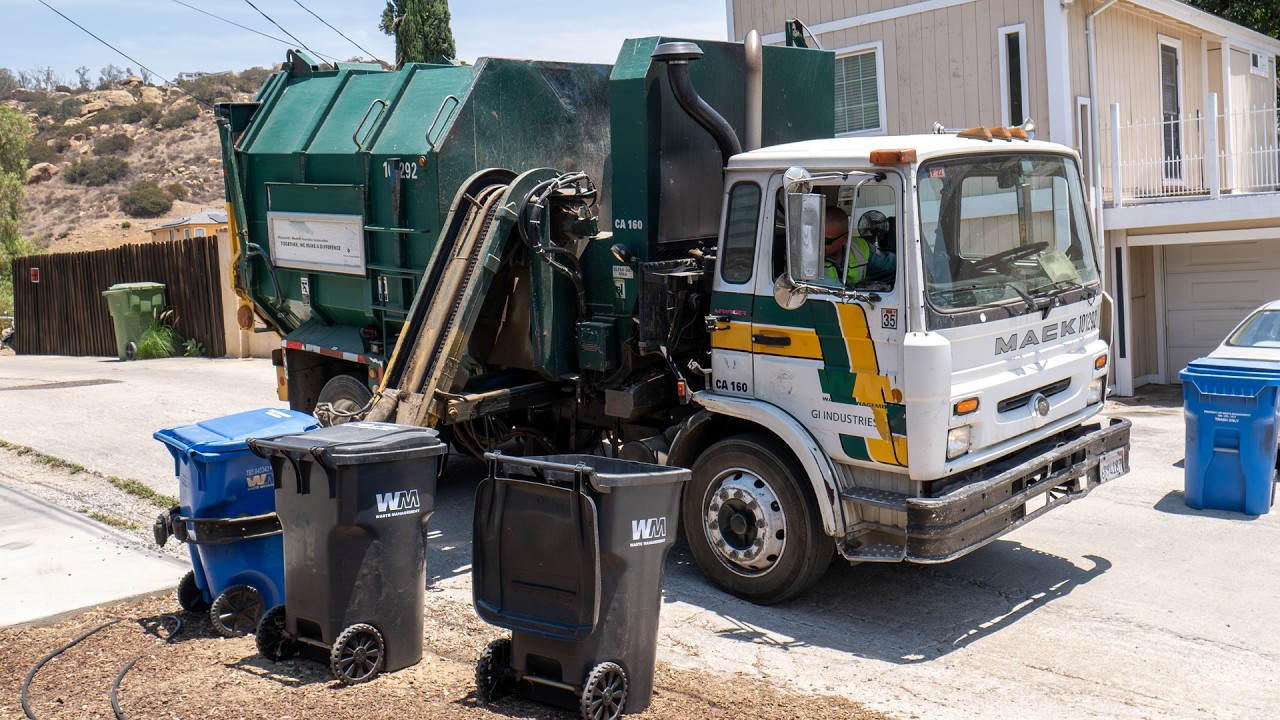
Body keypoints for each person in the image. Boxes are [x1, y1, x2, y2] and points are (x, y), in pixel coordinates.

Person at [823, 206, 895, 286]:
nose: (818, 245)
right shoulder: (809, 262)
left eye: (826, 241)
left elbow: (892, 265)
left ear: (845, 239)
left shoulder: (861, 247)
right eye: (814, 238)